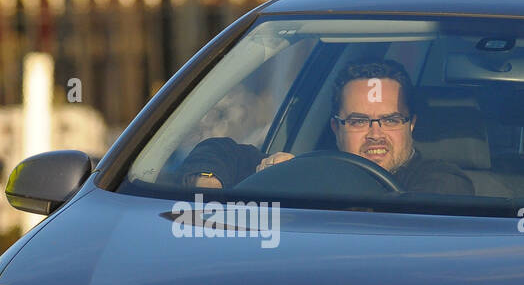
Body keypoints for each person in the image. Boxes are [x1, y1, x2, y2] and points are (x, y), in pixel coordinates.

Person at [178, 60, 474, 194]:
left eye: (390, 120)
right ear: (335, 127)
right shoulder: (306, 164)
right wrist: (209, 187)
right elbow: (218, 151)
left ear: (411, 125)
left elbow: (405, 221)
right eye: (358, 121)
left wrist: (303, 181)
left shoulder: (441, 181)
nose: (375, 134)